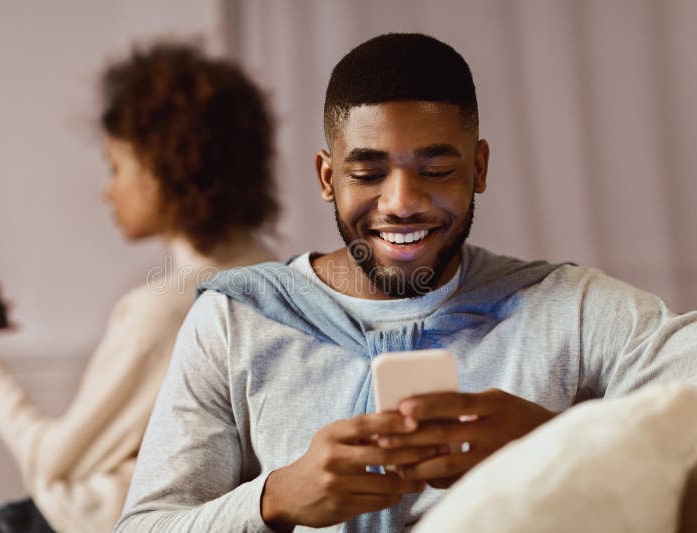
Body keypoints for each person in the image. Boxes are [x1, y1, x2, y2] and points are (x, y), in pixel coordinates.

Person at [115, 33, 697, 532]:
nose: (402, 203)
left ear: (479, 169)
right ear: (326, 176)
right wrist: (275, 499)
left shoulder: (571, 309)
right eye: (367, 172)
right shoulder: (236, 320)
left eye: (437, 171)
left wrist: (554, 443)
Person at [0, 43, 278, 533]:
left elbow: (50, 463)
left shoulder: (163, 310)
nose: (107, 189)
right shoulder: (282, 278)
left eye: (116, 166)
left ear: (164, 166)